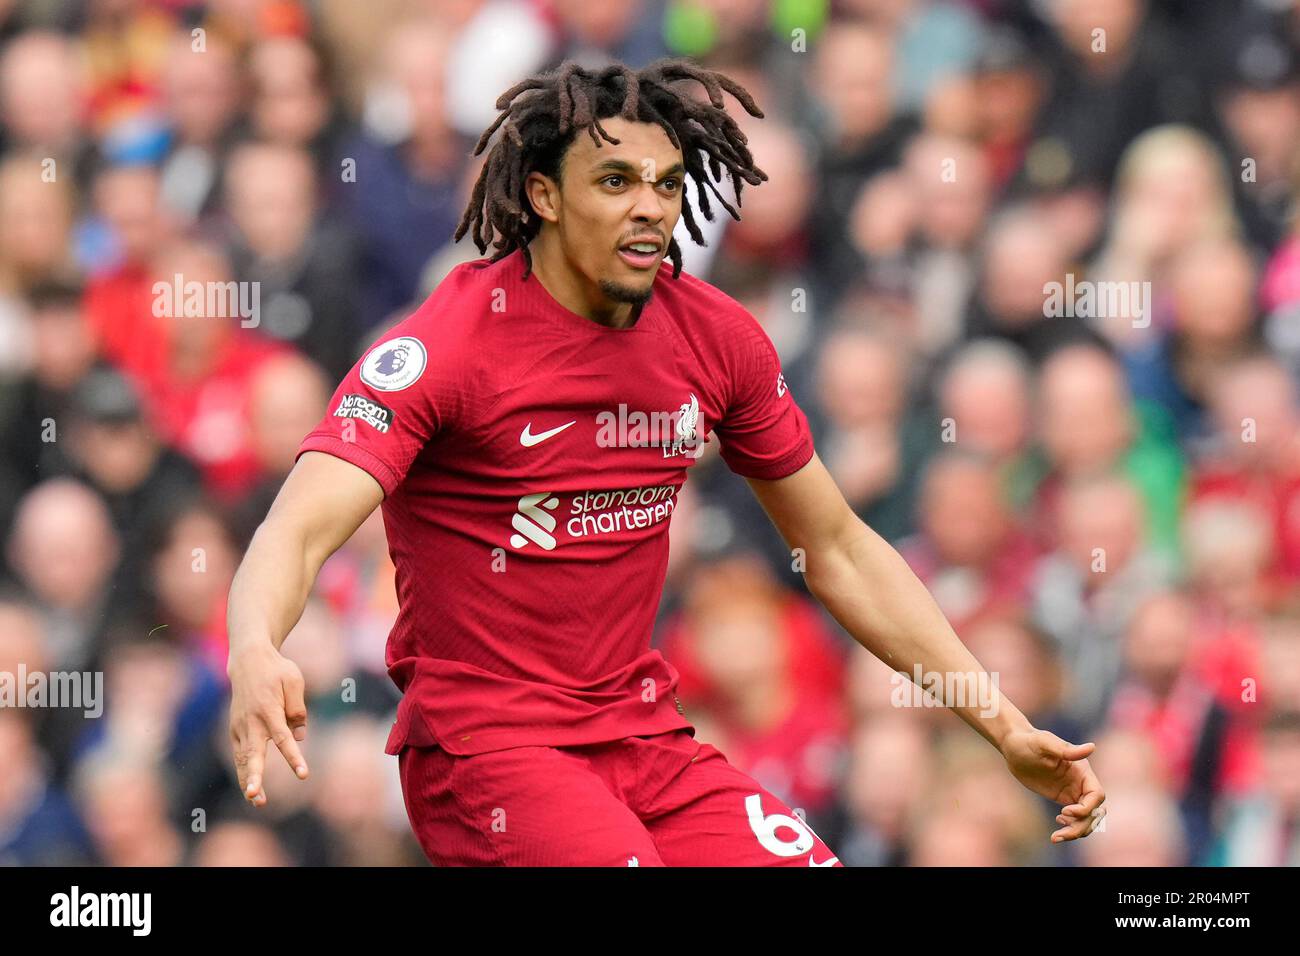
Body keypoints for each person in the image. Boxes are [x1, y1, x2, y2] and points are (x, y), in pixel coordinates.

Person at [226, 58, 1106, 867]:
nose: (650, 205)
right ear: (544, 195)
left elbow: (837, 549)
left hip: (641, 740)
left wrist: (1000, 722)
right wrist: (255, 644)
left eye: (667, 184)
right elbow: (296, 531)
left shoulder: (715, 339)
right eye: (615, 181)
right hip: (486, 754)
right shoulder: (446, 349)